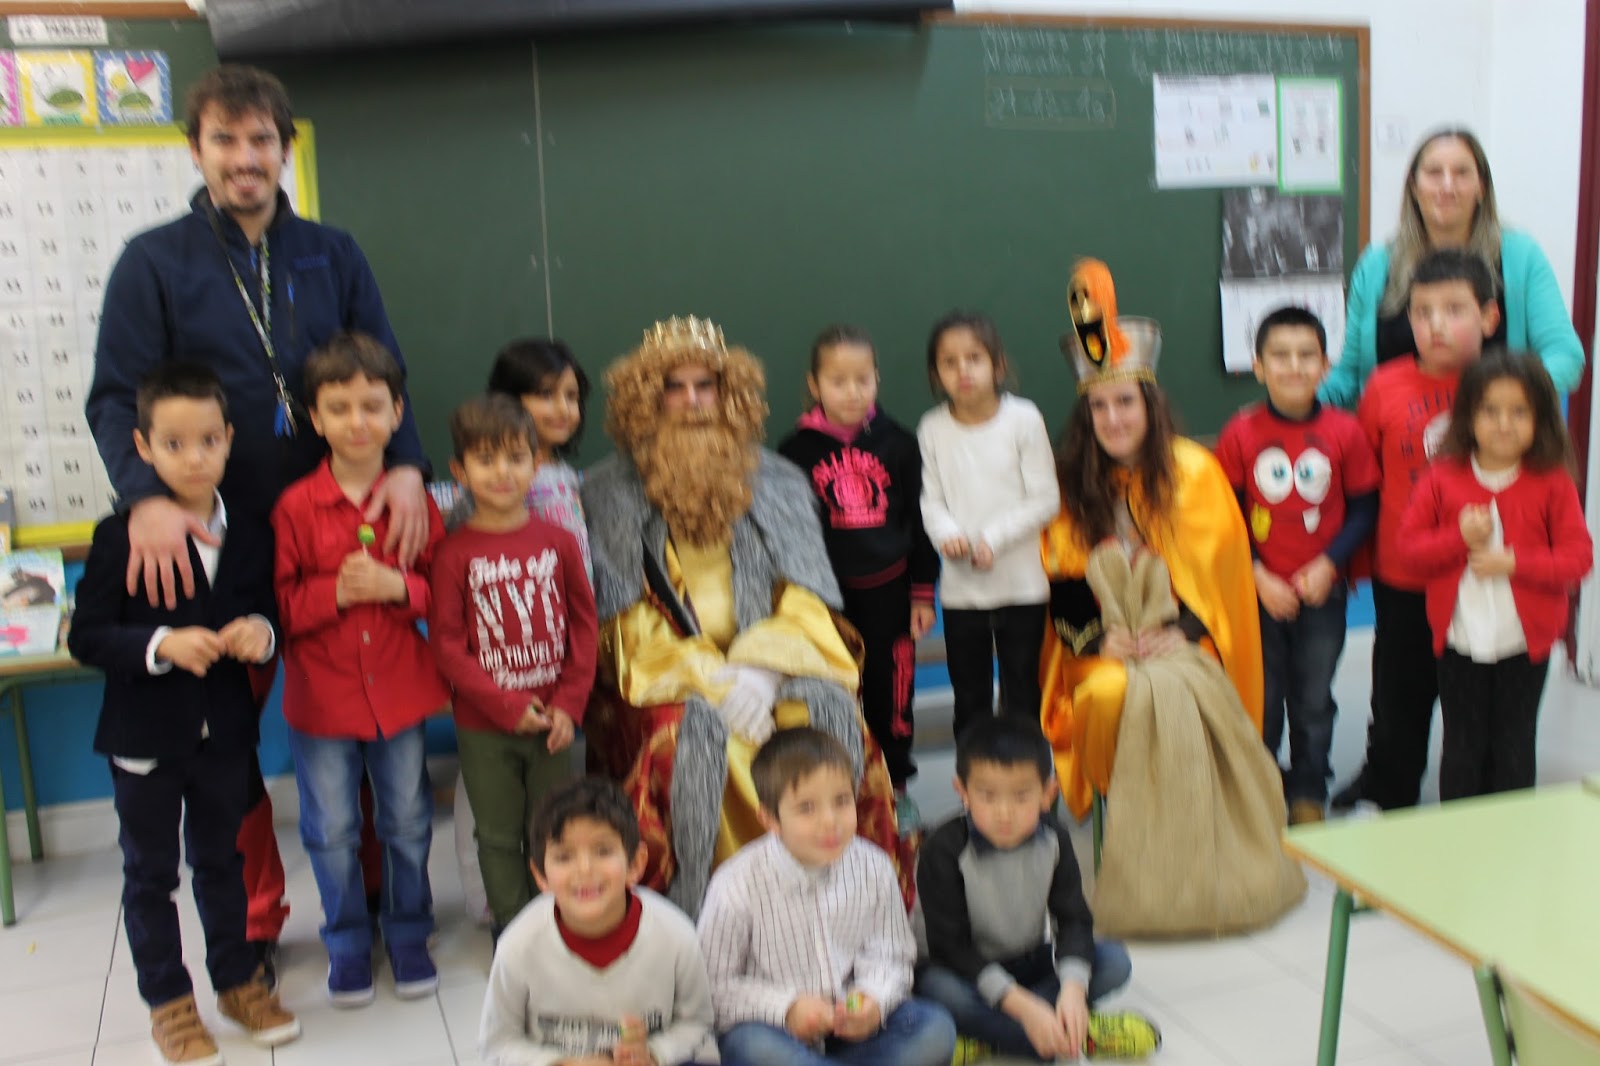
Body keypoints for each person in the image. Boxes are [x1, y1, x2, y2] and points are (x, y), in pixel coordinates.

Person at [85, 63, 432, 982]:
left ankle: (371, 909)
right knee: (226, 749)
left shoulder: (334, 250)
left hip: (334, 520)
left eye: (261, 141)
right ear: (194, 149)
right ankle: (259, 925)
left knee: (354, 725)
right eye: (226, 141)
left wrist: (405, 470)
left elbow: (387, 375)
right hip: (216, 538)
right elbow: (117, 396)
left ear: (284, 147)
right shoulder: (151, 262)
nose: (245, 159)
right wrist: (147, 496)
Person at [581, 315, 907, 917]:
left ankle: (841, 891)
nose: (692, 402)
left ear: (728, 394)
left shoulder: (777, 480)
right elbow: (621, 620)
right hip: (674, 673)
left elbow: (807, 596)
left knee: (833, 713)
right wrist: (716, 681)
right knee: (684, 737)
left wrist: (762, 671)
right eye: (673, 388)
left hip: (773, 661)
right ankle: (702, 905)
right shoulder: (607, 491)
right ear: (645, 399)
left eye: (705, 386)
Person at [1041, 259, 1303, 937]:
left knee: (1185, 693)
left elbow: (1218, 581)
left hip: (1186, 638)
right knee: (1104, 694)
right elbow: (1062, 582)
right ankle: (1130, 827)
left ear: (1150, 405)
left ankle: (1196, 841)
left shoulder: (1194, 470)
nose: (1113, 417)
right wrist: (1101, 640)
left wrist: (1179, 633)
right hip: (1102, 646)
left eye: (1125, 402)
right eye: (1098, 406)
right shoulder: (1071, 483)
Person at [69, 363, 300, 1065]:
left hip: (225, 736)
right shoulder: (119, 537)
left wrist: (258, 633)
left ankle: (236, 982)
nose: (194, 456)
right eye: (174, 444)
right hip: (145, 741)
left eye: (207, 440)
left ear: (229, 439)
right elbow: (88, 638)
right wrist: (163, 644)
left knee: (223, 863)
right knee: (151, 875)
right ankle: (169, 1004)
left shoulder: (252, 530)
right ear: (142, 448)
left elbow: (265, 611)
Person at [271, 332, 450, 1005]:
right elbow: (279, 609)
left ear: (397, 414)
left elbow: (445, 590)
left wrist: (399, 590)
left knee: (406, 818)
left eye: (372, 405)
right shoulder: (295, 508)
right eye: (339, 408)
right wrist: (335, 593)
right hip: (323, 700)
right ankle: (346, 942)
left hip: (401, 695)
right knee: (332, 829)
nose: (357, 421)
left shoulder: (413, 502)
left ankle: (408, 933)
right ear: (314, 419)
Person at [430, 394, 598, 938]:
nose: (502, 472)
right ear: (460, 472)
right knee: (500, 833)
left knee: (551, 828)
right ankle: (515, 928)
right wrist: (505, 705)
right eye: (485, 459)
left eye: (515, 458)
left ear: (536, 463)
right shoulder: (453, 553)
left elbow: (583, 628)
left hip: (554, 723)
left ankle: (557, 923)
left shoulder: (559, 541)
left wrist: (569, 706)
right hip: (486, 727)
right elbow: (450, 647)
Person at [1341, 251, 1502, 812]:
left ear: (1488, 318)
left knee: (1475, 701)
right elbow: (1365, 479)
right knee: (1398, 695)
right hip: (1402, 574)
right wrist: (1358, 565)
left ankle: (1476, 804)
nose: (1435, 324)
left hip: (1478, 579)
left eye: (1454, 310)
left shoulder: (1502, 387)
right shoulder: (1385, 386)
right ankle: (1389, 793)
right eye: (1422, 311)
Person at [1396, 352, 1592, 801]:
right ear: (1468, 417)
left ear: (1541, 419)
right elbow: (1409, 552)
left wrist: (1515, 562)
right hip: (1461, 642)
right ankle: (1462, 842)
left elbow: (1578, 557)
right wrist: (1458, 538)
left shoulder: (1552, 482)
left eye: (1519, 411)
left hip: (1525, 645)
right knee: (1463, 745)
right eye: (1490, 411)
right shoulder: (1442, 478)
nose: (1504, 424)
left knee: (1514, 745)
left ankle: (1510, 844)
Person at [697, 728, 956, 1066]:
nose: (830, 821)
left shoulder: (873, 866)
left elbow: (893, 956)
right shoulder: (735, 884)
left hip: (853, 1032)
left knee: (935, 1029)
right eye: (806, 808)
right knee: (751, 1047)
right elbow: (713, 988)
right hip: (775, 1032)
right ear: (770, 819)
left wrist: (872, 1000)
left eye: (841, 801)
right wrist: (787, 1008)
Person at [1214, 307, 1380, 824]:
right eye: (1279, 356)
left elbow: (1365, 507)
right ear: (1258, 367)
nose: (1294, 366)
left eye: (1307, 355)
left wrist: (1330, 565)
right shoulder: (1240, 433)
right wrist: (1258, 575)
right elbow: (1224, 516)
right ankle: (1260, 785)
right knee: (1260, 699)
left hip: (1321, 594)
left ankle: (1308, 786)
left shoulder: (1344, 431)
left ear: (1326, 364)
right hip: (1257, 593)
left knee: (1312, 698)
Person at [914, 717, 1159, 1063]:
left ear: (1048, 794)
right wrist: (1026, 1009)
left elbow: (1073, 921)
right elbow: (951, 948)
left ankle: (989, 1034)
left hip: (1025, 961)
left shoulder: (1055, 838)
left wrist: (1073, 991)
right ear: (963, 792)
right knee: (939, 991)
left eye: (1021, 796)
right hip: (960, 969)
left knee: (1112, 962)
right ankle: (1075, 1036)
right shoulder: (942, 848)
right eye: (987, 796)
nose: (1004, 812)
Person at [778, 325, 939, 830]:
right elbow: (791, 532)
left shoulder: (901, 444)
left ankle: (897, 787)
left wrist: (921, 593)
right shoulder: (795, 451)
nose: (852, 391)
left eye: (863, 379)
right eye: (838, 380)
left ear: (877, 380)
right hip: (829, 600)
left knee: (893, 694)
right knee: (834, 694)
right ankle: (841, 791)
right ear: (814, 384)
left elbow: (920, 521)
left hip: (891, 592)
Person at [1321, 128, 1583, 409]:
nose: (1447, 186)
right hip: (1395, 439)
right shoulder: (1375, 265)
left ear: (1481, 187)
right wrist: (1295, 405)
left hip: (1492, 439)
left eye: (1461, 173)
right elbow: (1349, 375)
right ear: (1414, 185)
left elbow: (1565, 356)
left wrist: (1508, 399)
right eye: (1434, 173)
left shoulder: (1521, 257)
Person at [480, 776, 719, 1066]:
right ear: (541, 876)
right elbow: (497, 1043)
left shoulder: (676, 936)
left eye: (603, 851)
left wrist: (655, 1054)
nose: (584, 869)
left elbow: (696, 1023)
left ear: (635, 864)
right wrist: (563, 1063)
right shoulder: (518, 945)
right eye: (564, 856)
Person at [917, 311, 1060, 739]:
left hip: (1022, 589)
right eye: (950, 361)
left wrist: (991, 540)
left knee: (1022, 698)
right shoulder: (932, 428)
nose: (963, 370)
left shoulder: (1024, 419)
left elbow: (1046, 499)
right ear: (936, 373)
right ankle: (975, 797)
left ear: (997, 364)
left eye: (974, 358)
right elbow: (931, 500)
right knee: (971, 702)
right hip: (963, 595)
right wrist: (948, 535)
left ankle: (1029, 796)